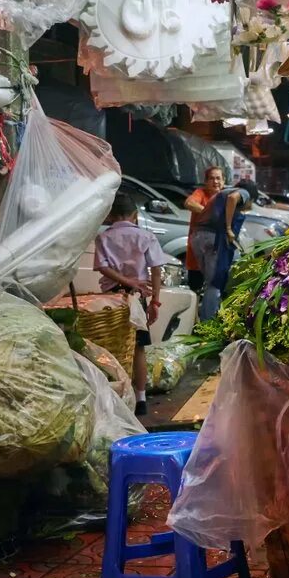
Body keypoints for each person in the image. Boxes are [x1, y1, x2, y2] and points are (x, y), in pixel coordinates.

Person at [94, 194, 169, 416]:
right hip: (137, 297)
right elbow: (156, 270)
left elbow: (102, 267)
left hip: (111, 299)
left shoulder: (104, 238)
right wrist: (154, 301)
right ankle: (141, 399)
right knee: (138, 348)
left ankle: (118, 398)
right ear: (135, 215)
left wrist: (124, 282)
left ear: (110, 215)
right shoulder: (146, 236)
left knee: (114, 347)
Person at [189, 178, 258, 320]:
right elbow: (234, 198)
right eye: (251, 203)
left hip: (197, 237)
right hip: (213, 239)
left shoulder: (222, 193)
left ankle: (207, 316)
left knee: (210, 282)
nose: (249, 207)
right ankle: (209, 323)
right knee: (215, 282)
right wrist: (228, 228)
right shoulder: (242, 193)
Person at [184, 166, 226, 290]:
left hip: (217, 255)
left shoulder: (226, 198)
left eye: (218, 178)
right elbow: (189, 203)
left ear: (224, 181)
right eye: (212, 178)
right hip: (198, 257)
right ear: (206, 182)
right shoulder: (201, 193)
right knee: (196, 291)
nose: (215, 182)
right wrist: (210, 213)